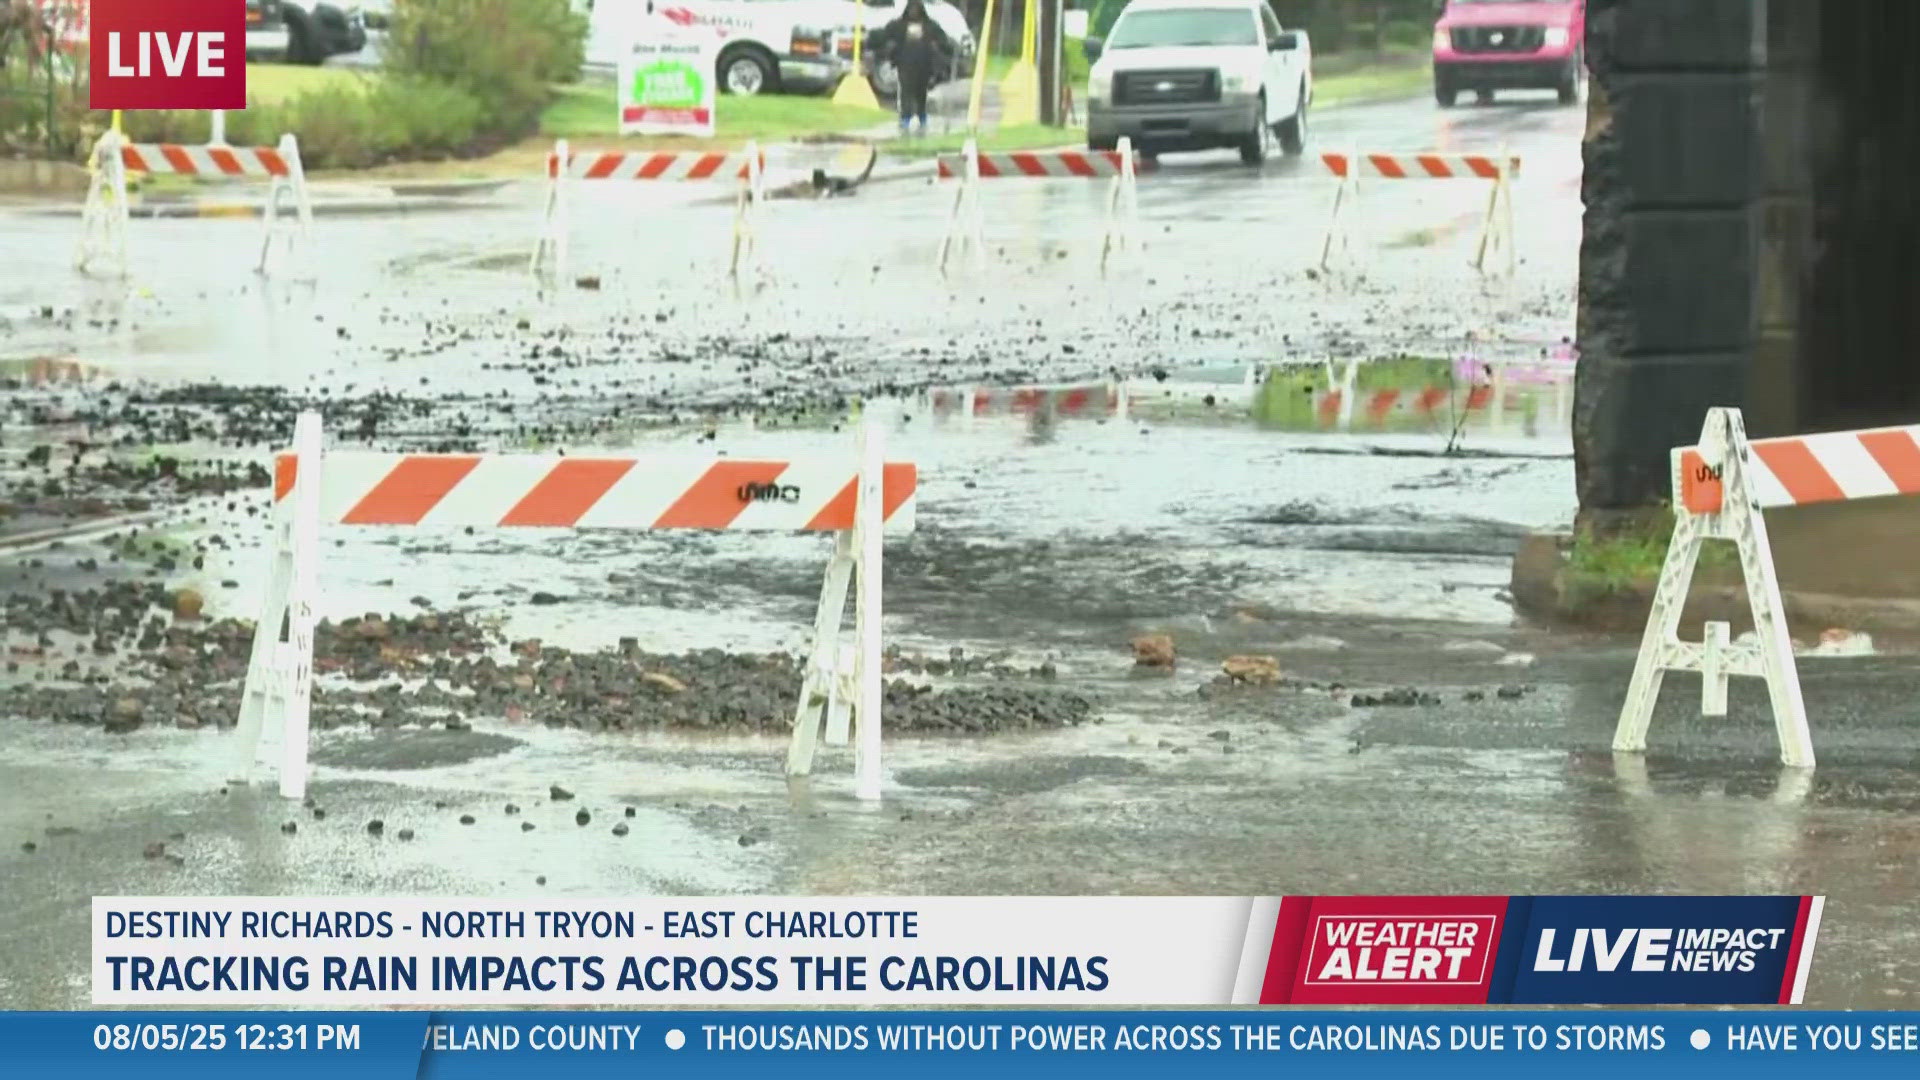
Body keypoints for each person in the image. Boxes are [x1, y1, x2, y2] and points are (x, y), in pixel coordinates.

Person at [874, 0, 953, 136]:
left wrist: (939, 47)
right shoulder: (899, 25)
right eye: (911, 9)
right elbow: (884, 37)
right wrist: (885, 47)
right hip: (905, 64)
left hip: (924, 64)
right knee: (906, 91)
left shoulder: (930, 26)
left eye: (916, 9)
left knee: (920, 92)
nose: (914, 12)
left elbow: (943, 40)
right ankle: (905, 117)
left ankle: (921, 116)